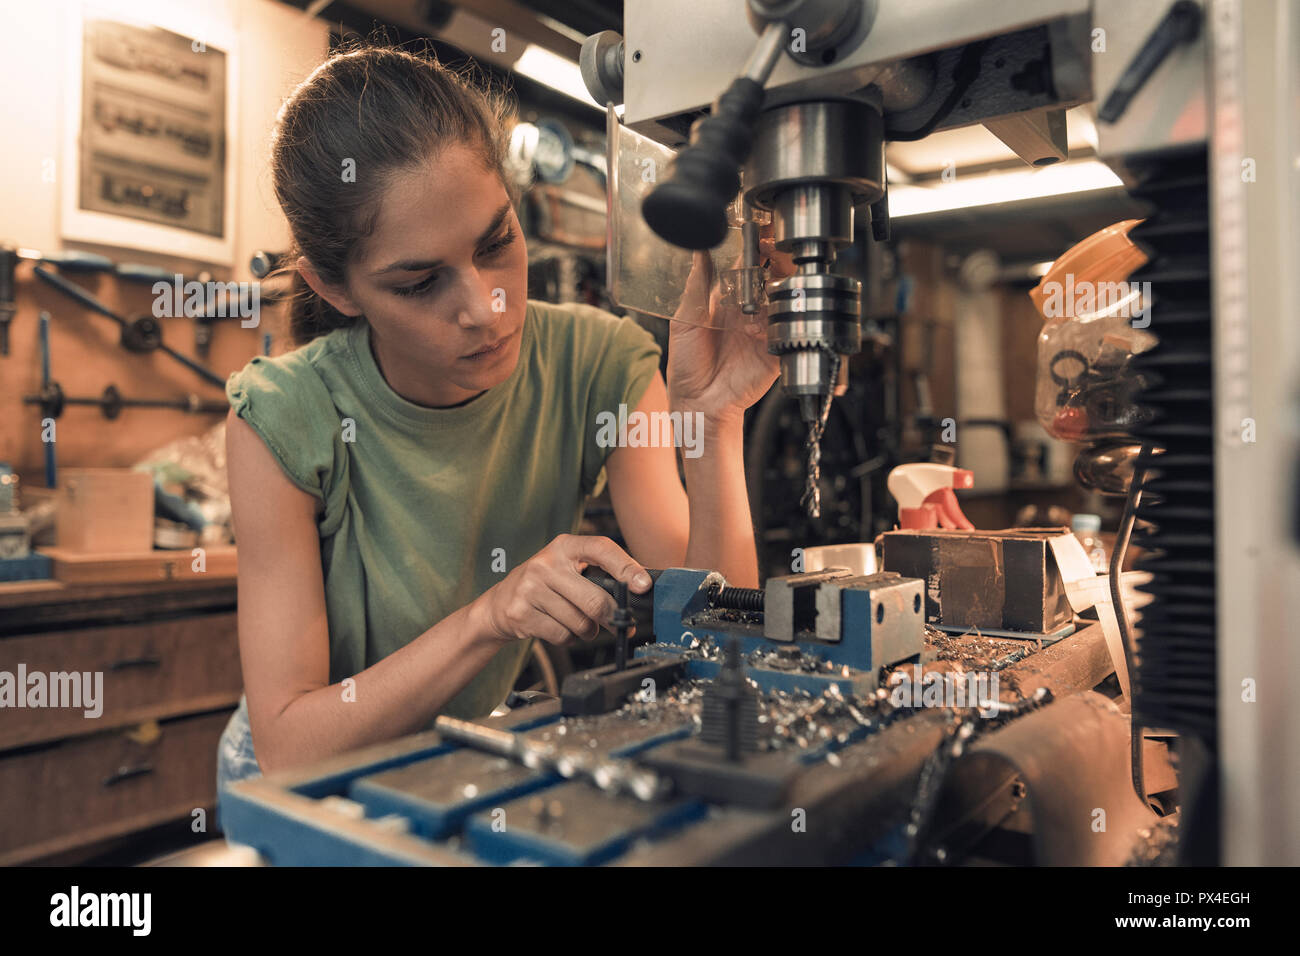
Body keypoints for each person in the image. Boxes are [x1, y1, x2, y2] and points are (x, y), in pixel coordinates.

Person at [216, 45, 782, 793]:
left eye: (496, 243)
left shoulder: (598, 363)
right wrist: (491, 617)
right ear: (335, 287)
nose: (485, 308)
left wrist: (713, 424)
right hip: (300, 790)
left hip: (455, 761)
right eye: (420, 283)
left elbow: (716, 636)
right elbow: (291, 743)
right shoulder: (281, 415)